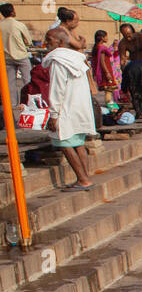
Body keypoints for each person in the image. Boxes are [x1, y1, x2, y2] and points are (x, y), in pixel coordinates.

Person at [42, 28, 97, 191]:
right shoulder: (76, 58)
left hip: (67, 107)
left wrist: (53, 115)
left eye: (49, 39)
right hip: (80, 106)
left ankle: (83, 179)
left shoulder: (59, 60)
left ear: (59, 42)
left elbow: (57, 89)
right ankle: (85, 177)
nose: (47, 43)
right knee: (78, 143)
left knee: (64, 142)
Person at [1, 1, 33, 107]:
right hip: (21, 56)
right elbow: (28, 41)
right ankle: (28, 102)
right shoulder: (18, 24)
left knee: (10, 83)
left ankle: (12, 104)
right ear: (12, 12)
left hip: (5, 57)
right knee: (27, 80)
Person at [90, 29, 122, 102]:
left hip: (105, 70)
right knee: (109, 90)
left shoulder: (97, 47)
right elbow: (102, 61)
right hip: (106, 70)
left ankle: (110, 104)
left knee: (108, 90)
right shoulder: (102, 48)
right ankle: (110, 105)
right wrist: (107, 72)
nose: (107, 38)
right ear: (102, 38)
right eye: (106, 36)